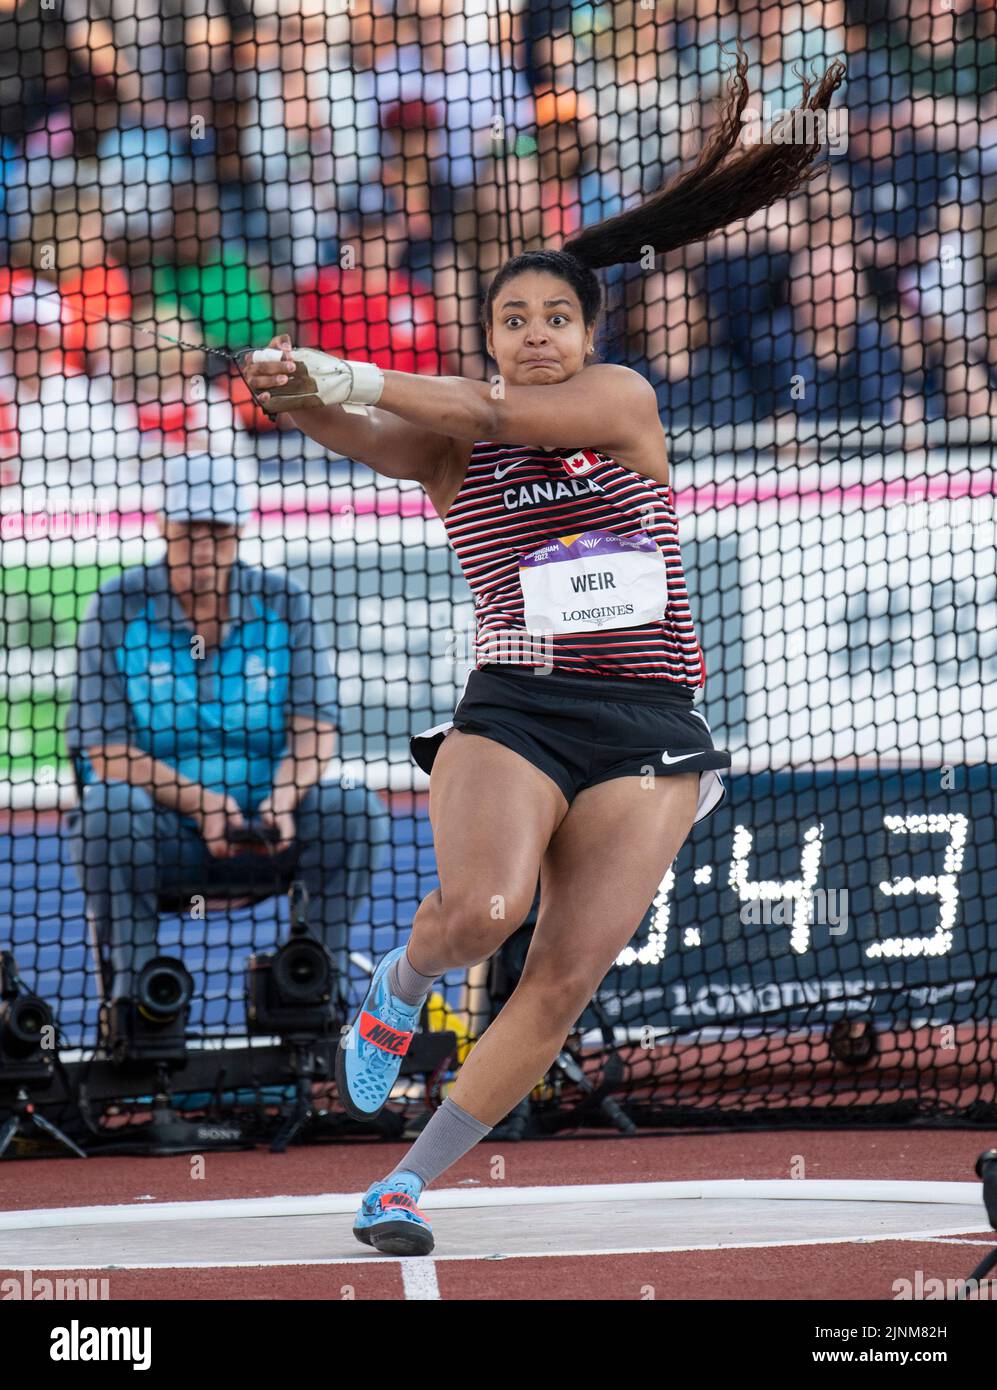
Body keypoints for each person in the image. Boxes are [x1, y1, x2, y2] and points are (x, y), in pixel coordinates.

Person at [245, 42, 845, 1257]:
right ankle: (400, 989)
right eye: (510, 320)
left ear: (585, 333)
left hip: (652, 726)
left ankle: (401, 1186)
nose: (533, 336)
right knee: (481, 911)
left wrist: (355, 370)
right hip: (516, 706)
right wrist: (288, 386)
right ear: (488, 332)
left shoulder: (620, 401)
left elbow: (479, 406)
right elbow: (344, 422)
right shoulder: (447, 451)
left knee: (562, 978)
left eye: (553, 318)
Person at [62, 452, 390, 1013]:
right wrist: (200, 804)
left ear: (240, 533)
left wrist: (283, 801)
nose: (205, 550)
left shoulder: (284, 603)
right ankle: (138, 1000)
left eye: (220, 534)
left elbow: (314, 731)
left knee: (353, 810)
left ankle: (311, 985)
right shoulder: (115, 608)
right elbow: (107, 754)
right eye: (191, 533)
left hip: (267, 830)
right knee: (108, 809)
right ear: (164, 528)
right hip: (164, 837)